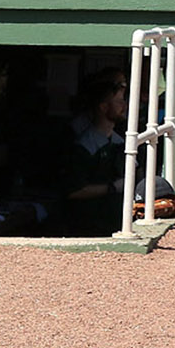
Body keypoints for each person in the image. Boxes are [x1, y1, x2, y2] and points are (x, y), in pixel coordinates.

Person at [60, 68, 130, 237]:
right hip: (88, 226)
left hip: (116, 223)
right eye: (119, 101)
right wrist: (113, 188)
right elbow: (73, 190)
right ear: (103, 107)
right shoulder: (83, 146)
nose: (124, 106)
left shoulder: (121, 142)